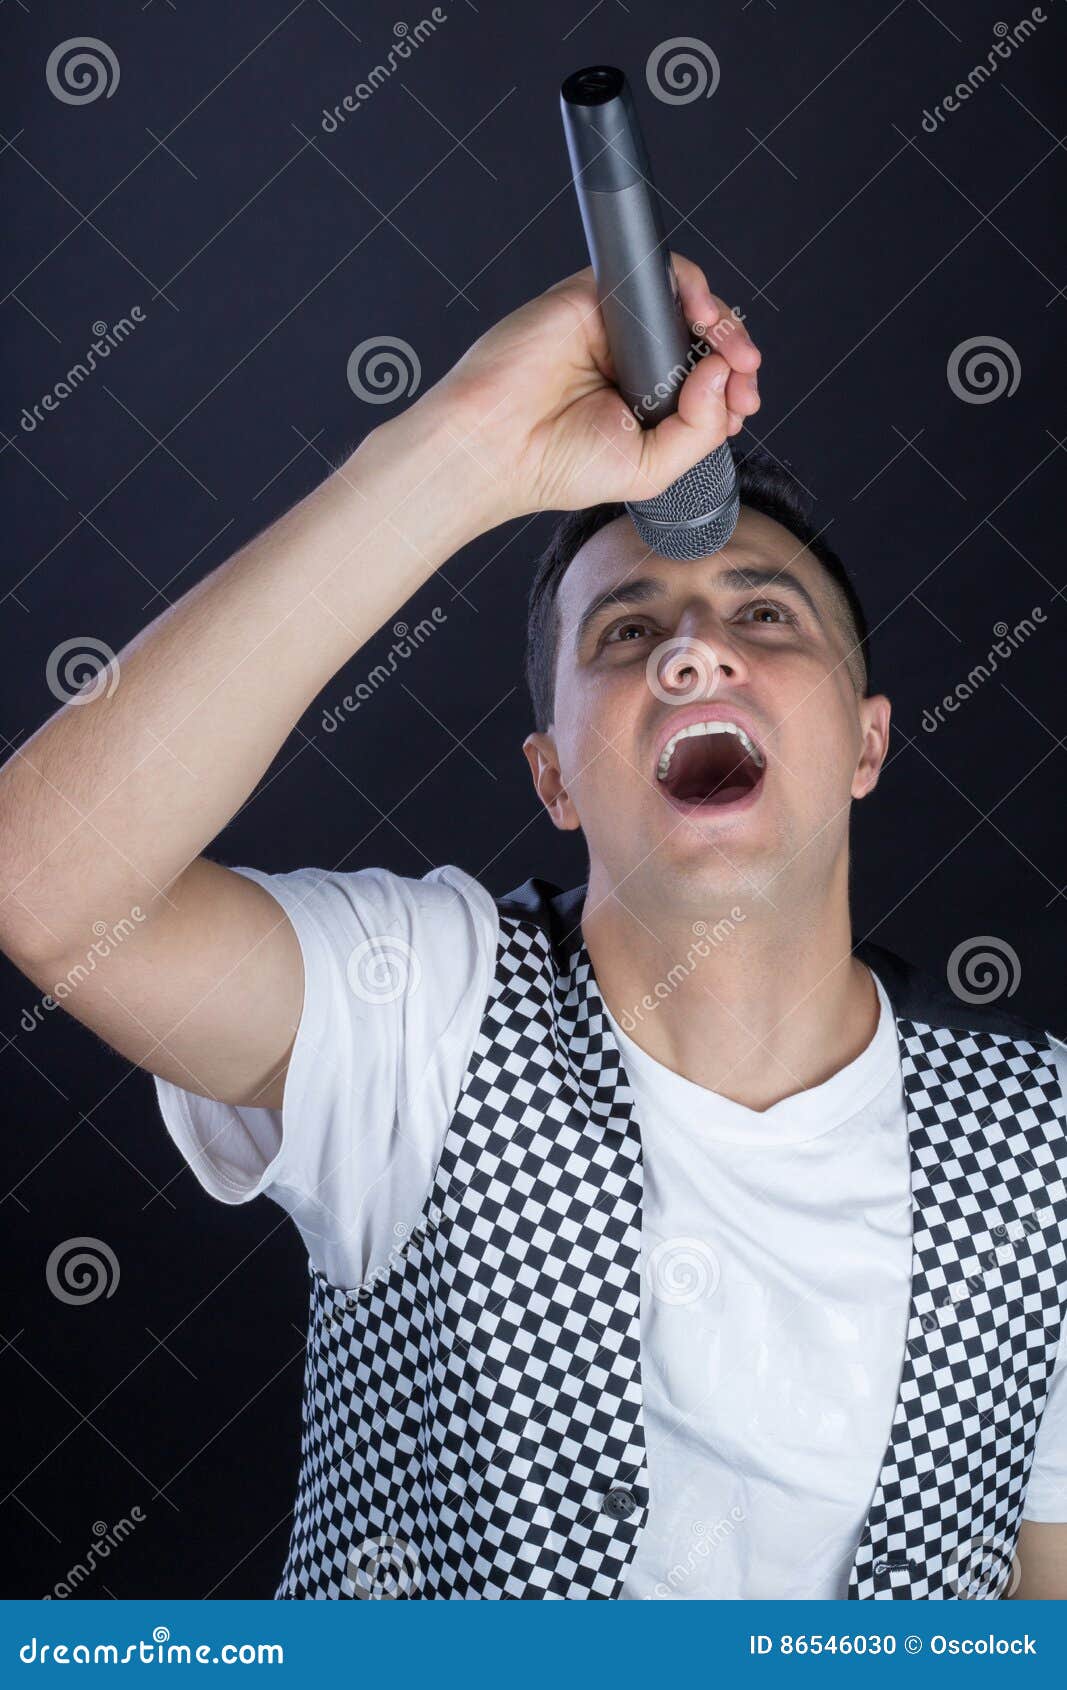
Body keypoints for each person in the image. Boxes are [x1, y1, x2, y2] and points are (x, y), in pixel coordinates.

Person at [1, 257, 1064, 1602]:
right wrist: (463, 448)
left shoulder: (1046, 1152)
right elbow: (47, 887)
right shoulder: (421, 1015)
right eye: (627, 631)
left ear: (866, 742)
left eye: (763, 615)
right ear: (553, 773)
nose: (693, 653)